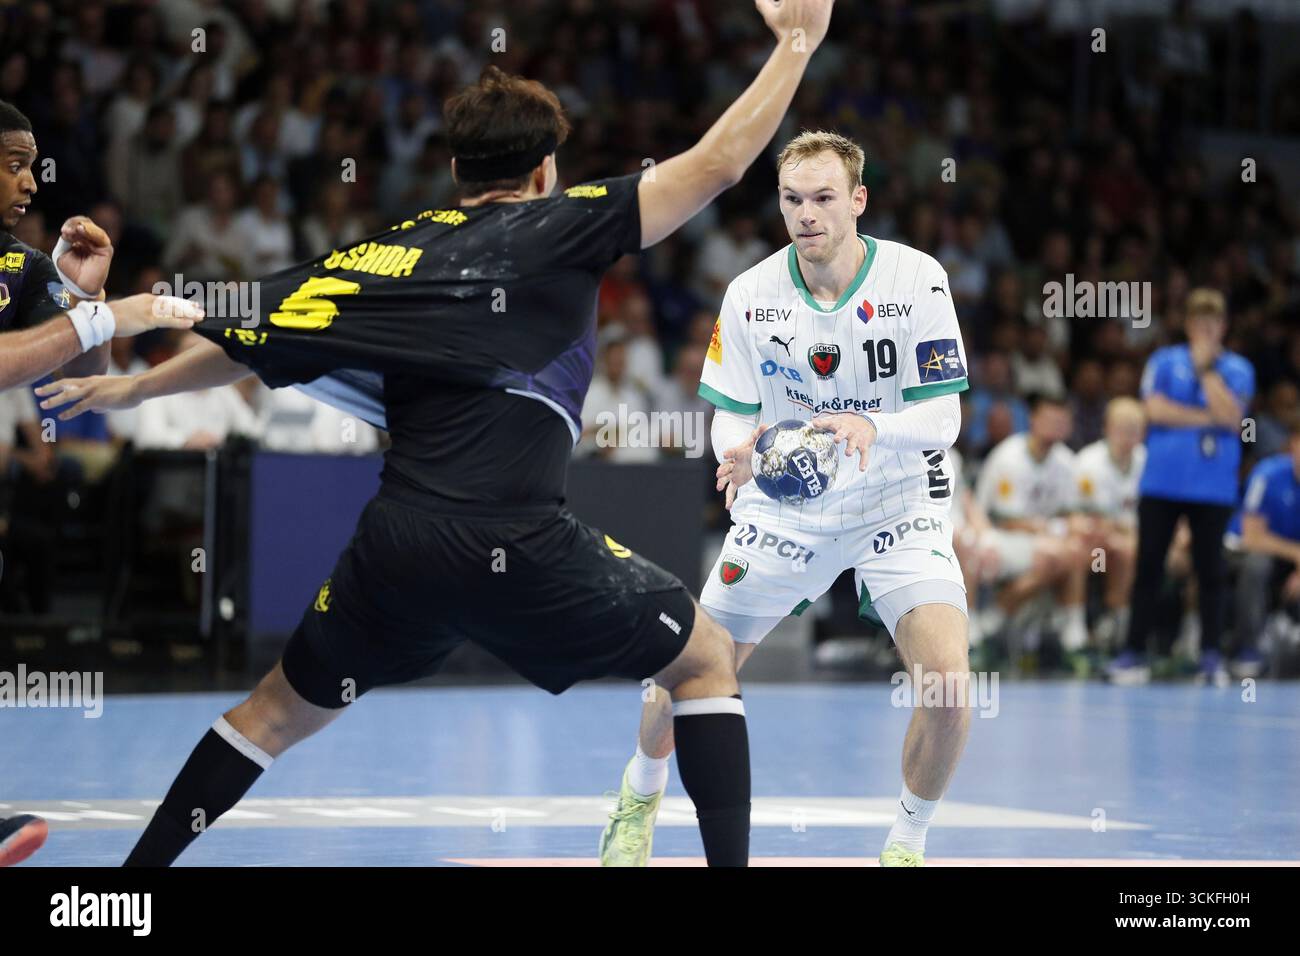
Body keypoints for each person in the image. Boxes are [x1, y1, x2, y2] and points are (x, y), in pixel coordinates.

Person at [35, 0, 837, 868]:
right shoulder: (565, 225)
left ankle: (130, 887)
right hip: (518, 538)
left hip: (397, 549)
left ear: (456, 167)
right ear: (545, 174)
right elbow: (718, 164)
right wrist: (798, 42)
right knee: (706, 660)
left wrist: (133, 388)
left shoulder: (384, 256)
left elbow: (245, 334)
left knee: (270, 714)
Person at [597, 129, 971, 868]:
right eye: (793, 199)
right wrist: (736, 453)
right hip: (788, 502)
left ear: (857, 200)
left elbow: (945, 418)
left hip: (896, 499)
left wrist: (874, 426)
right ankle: (638, 796)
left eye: (825, 198)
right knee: (688, 671)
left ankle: (907, 842)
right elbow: (732, 413)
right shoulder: (751, 294)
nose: (807, 214)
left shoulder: (917, 279)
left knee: (952, 688)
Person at [0, 98, 200, 865]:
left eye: (31, 164)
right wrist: (110, 316)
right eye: (13, 164)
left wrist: (86, 295)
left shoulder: (15, 263)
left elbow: (75, 376)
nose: (29, 182)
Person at [1109, 288, 1255, 685]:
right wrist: (1207, 413)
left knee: (1211, 573)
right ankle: (1133, 653)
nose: (1206, 330)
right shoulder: (1163, 361)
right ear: (1189, 325)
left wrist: (1207, 372)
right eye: (1199, 322)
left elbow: (1232, 420)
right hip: (1161, 483)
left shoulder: (1238, 369)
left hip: (1213, 489)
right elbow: (1153, 410)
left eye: (1214, 323)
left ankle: (1210, 656)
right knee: (1149, 568)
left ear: (1223, 327)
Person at [973, 394, 1090, 664]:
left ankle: (997, 623)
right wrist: (1053, 528)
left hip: (1043, 541)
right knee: (1057, 556)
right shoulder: (1009, 456)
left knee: (1079, 551)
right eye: (1050, 419)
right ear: (1033, 420)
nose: (1056, 425)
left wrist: (1076, 525)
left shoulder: (1066, 460)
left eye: (1062, 420)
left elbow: (1071, 512)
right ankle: (1068, 633)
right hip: (997, 538)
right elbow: (1005, 519)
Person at [1224, 416, 1300, 677]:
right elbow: (1252, 537)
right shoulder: (1267, 474)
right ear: (1294, 445)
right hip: (1239, 549)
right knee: (1257, 564)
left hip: (1288, 557)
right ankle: (1249, 649)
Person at [1071, 397, 1146, 650]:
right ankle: (1113, 624)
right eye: (1122, 429)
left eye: (1134, 431)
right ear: (1106, 428)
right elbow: (1082, 516)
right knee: (1123, 550)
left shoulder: (1148, 462)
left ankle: (1186, 636)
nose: (1128, 437)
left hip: (1139, 539)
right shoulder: (1088, 462)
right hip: (1096, 543)